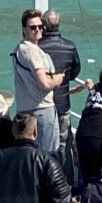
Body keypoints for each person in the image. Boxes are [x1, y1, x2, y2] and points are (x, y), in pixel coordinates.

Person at [12, 9, 62, 157]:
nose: (38, 30)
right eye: (33, 27)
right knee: (48, 155)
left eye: (40, 26)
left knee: (28, 155)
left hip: (24, 109)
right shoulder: (31, 51)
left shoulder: (19, 49)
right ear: (24, 29)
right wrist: (57, 80)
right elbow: (45, 84)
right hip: (41, 110)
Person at [39, 10, 82, 141]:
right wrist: (64, 78)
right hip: (63, 104)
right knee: (62, 143)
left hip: (41, 104)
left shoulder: (36, 47)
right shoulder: (70, 47)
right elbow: (75, 71)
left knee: (43, 142)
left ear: (43, 25)